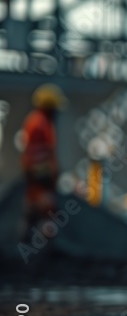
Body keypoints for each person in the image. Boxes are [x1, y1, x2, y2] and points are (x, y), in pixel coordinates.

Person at [21, 83, 66, 236]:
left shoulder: (41, 122)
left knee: (38, 212)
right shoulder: (38, 124)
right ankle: (39, 249)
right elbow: (36, 154)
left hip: (40, 178)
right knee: (45, 211)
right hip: (40, 179)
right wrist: (46, 175)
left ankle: (31, 244)